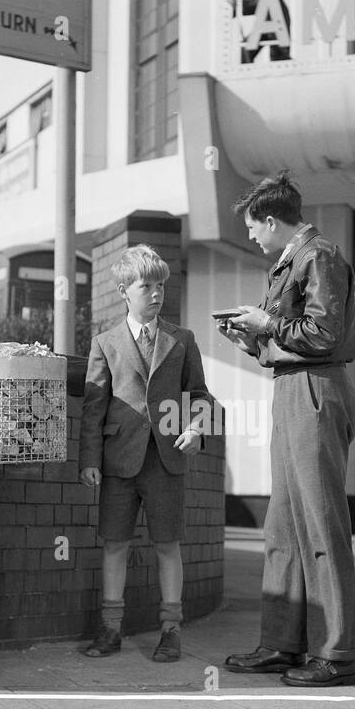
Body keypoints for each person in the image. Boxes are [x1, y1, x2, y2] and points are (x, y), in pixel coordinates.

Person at [219, 171, 355, 687]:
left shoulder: (316, 256)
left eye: (255, 228)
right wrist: (253, 342)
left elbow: (322, 333)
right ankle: (282, 644)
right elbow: (297, 338)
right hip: (294, 386)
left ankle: (337, 654)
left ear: (274, 221)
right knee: (282, 526)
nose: (253, 237)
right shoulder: (296, 259)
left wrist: (266, 325)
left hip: (315, 391)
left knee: (322, 523)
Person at [79, 245, 212, 662]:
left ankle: (171, 631)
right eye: (146, 286)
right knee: (115, 544)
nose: (156, 294)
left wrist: (195, 428)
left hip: (166, 460)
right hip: (119, 461)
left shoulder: (182, 340)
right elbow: (93, 407)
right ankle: (110, 629)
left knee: (167, 545)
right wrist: (89, 460)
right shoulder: (104, 343)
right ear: (124, 290)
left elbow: (202, 396)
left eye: (160, 286)